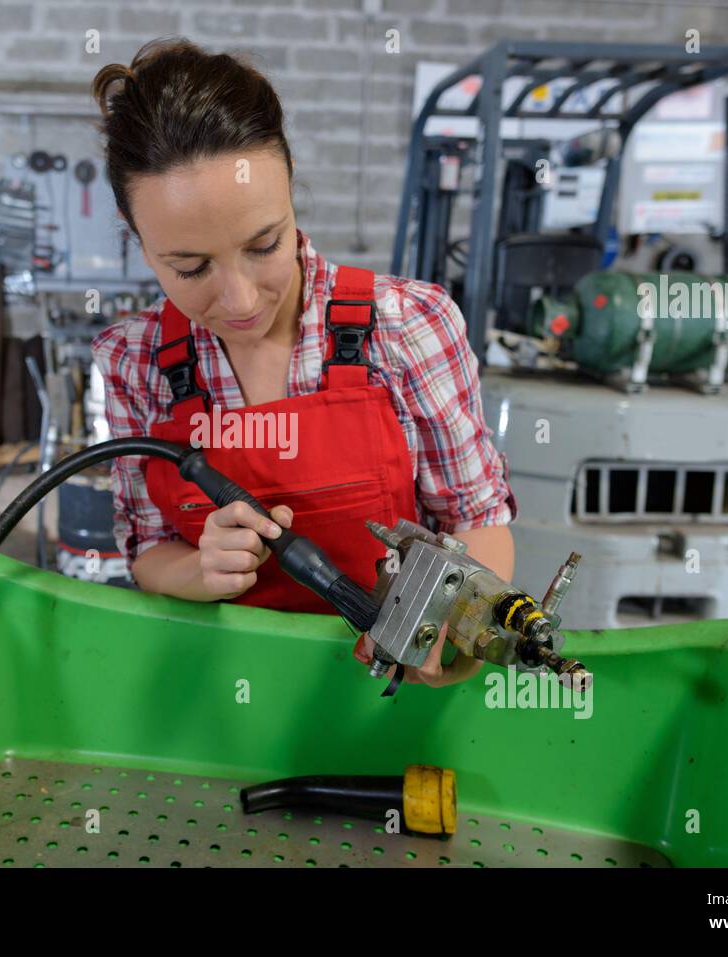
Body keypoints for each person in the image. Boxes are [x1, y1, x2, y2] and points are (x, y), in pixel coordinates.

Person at [90, 39, 516, 688]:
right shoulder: (134, 360)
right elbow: (147, 550)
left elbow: (478, 518)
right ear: (138, 243)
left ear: (290, 188)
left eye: (264, 244)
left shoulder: (407, 328)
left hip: (391, 701)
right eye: (190, 266)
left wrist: (454, 620)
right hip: (224, 703)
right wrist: (199, 570)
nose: (238, 299)